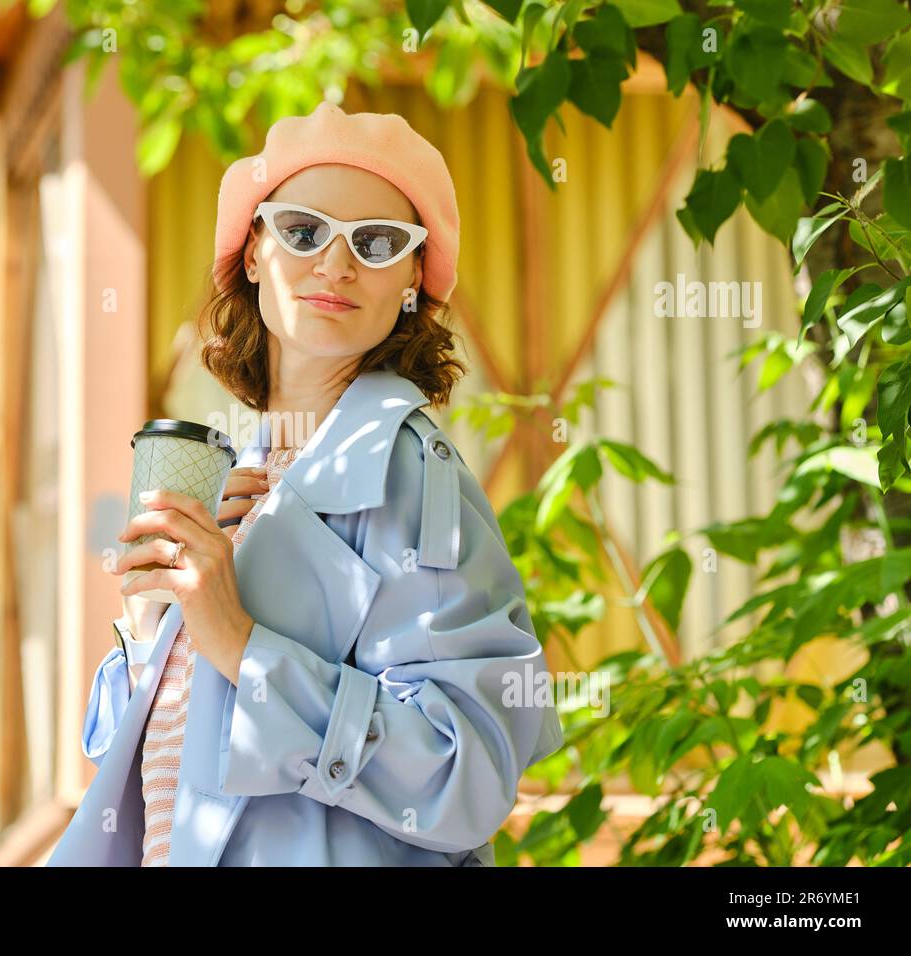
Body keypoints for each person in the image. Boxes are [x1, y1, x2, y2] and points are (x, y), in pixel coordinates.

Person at [47, 100, 563, 867]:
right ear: (254, 252)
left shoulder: (409, 472)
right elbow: (162, 779)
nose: (336, 264)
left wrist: (241, 644)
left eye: (377, 242)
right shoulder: (246, 484)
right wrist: (152, 625)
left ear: (414, 278)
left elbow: (467, 773)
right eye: (301, 230)